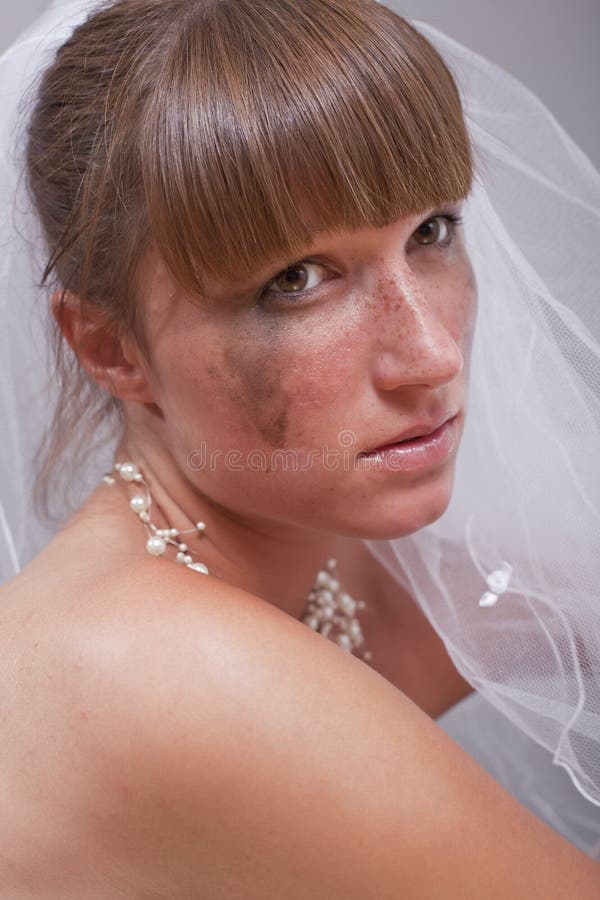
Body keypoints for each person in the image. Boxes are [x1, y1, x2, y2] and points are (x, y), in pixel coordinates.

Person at [0, 0, 599, 895]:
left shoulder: (317, 575)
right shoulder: (160, 670)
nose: (430, 354)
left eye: (431, 232)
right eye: (298, 280)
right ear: (112, 349)